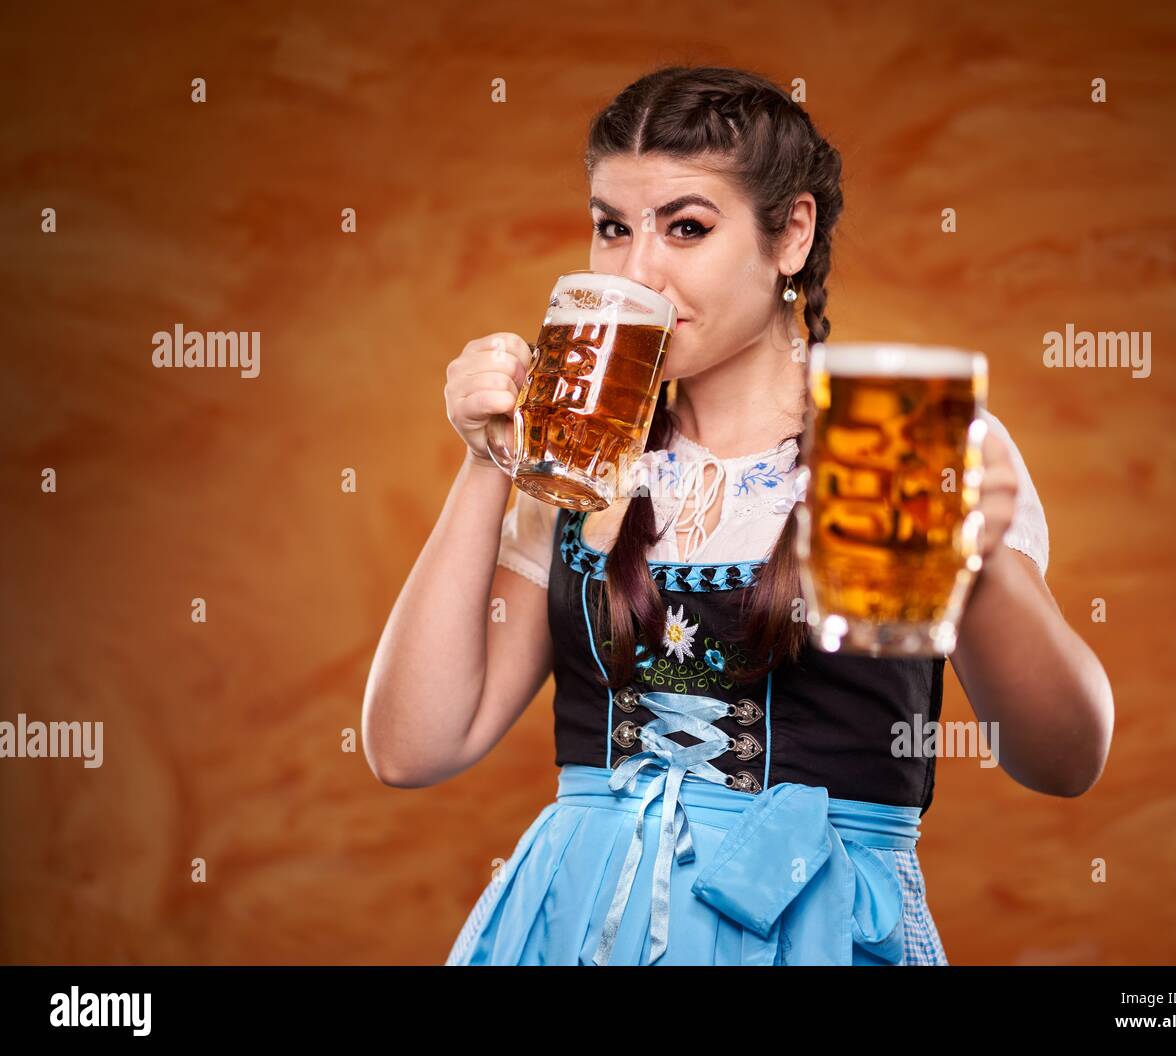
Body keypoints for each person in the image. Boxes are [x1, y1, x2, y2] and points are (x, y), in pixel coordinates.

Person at [362, 65, 1114, 966]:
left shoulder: (903, 442)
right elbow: (413, 747)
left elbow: (1064, 761)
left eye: (686, 227)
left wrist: (979, 564)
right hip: (572, 926)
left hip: (814, 927)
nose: (638, 270)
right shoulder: (585, 455)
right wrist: (488, 460)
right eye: (611, 228)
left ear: (791, 234)